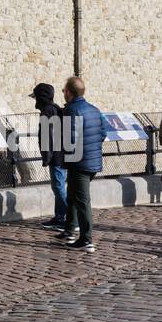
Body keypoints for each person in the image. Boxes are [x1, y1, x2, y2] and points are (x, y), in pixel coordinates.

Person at [54, 76, 106, 253]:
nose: (63, 93)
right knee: (73, 195)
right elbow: (103, 132)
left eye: (63, 91)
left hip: (79, 163)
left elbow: (70, 140)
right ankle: (69, 230)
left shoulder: (72, 110)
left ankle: (86, 239)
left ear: (68, 92)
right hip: (92, 160)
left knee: (82, 200)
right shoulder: (94, 109)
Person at [31, 83, 66, 231]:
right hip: (62, 153)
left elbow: (47, 137)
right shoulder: (56, 108)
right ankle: (60, 217)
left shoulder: (47, 111)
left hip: (56, 156)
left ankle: (70, 219)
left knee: (58, 187)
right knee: (59, 186)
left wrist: (46, 156)